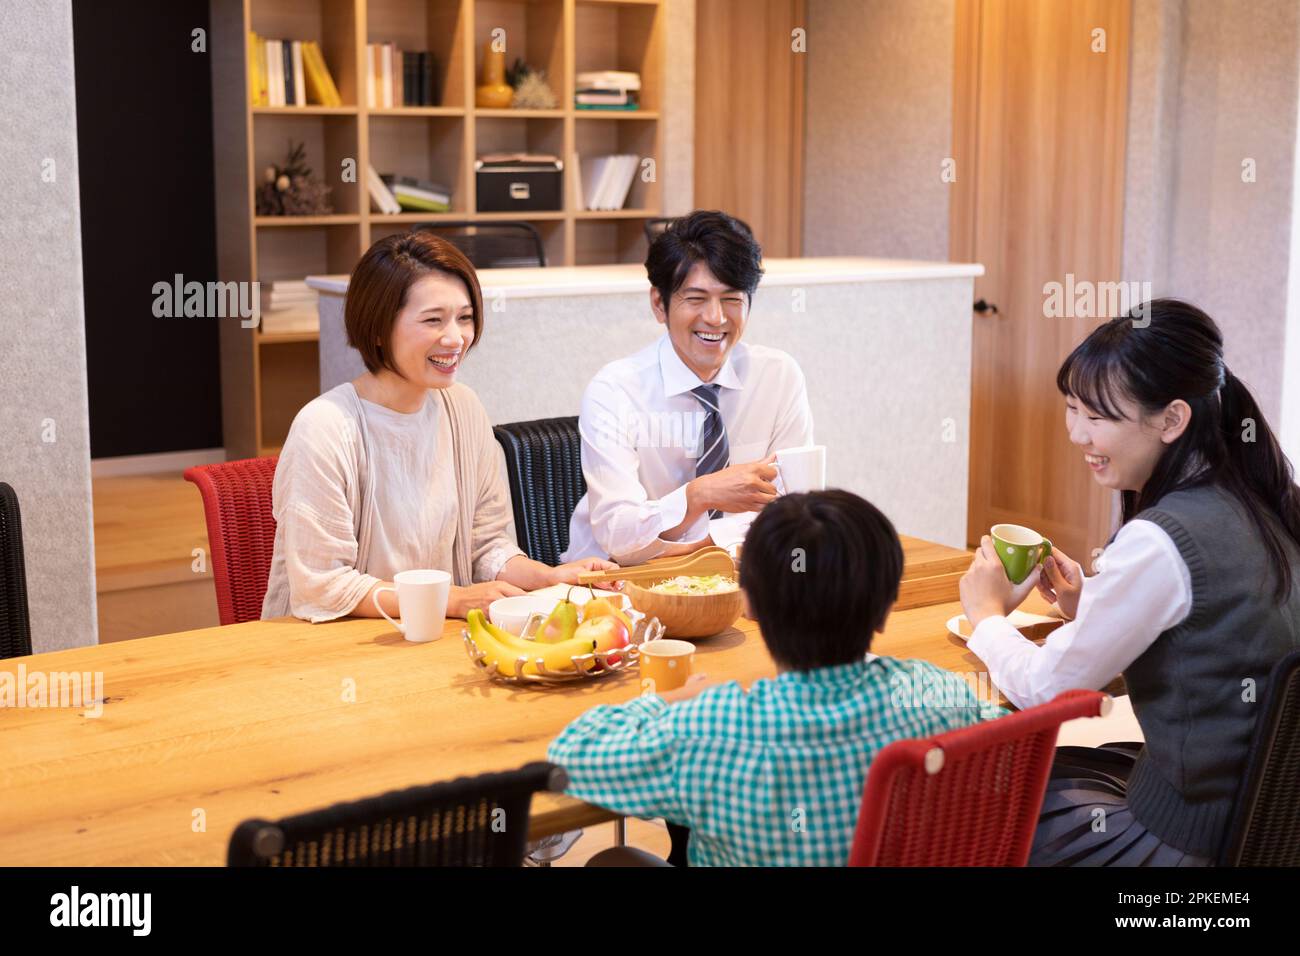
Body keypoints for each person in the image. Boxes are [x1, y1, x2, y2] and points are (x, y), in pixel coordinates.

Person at [958, 298, 1300, 866]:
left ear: (1172, 419)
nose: (1076, 434)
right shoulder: (1268, 500)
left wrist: (987, 616)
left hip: (1186, 842)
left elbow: (1046, 689)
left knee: (984, 801)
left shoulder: (1163, 539)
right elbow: (1223, 625)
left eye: (1098, 417)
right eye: (1072, 408)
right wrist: (1089, 602)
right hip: (1266, 827)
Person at [548, 489, 1003, 866]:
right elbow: (1010, 736)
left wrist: (669, 701)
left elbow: (570, 755)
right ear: (886, 608)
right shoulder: (934, 694)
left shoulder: (711, 726)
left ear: (749, 605)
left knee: (613, 860)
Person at [261, 232, 614, 623]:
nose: (456, 338)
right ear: (378, 328)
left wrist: (549, 578)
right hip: (333, 648)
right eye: (433, 320)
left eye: (464, 317)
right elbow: (324, 586)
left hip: (433, 639)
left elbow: (486, 546)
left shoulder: (463, 409)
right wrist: (452, 601)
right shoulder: (326, 427)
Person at [562, 210, 814, 566]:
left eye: (731, 298)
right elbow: (618, 535)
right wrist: (701, 495)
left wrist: (707, 544)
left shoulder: (779, 377)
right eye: (695, 298)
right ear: (658, 304)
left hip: (735, 576)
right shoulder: (615, 390)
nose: (715, 318)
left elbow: (795, 512)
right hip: (617, 583)